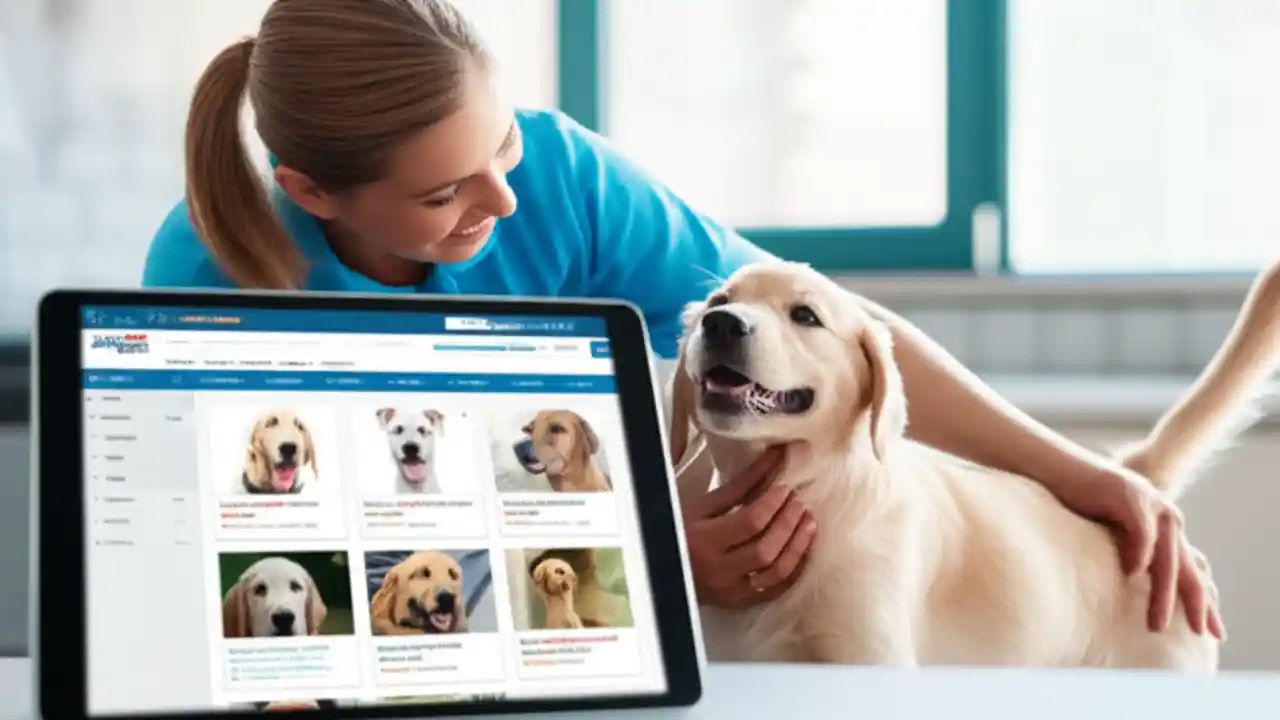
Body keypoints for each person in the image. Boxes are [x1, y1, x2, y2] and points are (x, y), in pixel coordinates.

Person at [142, 0, 1221, 639]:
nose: (507, 204)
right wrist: (647, 558)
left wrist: (1079, 475)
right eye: (444, 196)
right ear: (315, 193)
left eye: (500, 148)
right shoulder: (202, 272)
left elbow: (831, 328)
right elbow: (240, 566)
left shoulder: (560, 174)